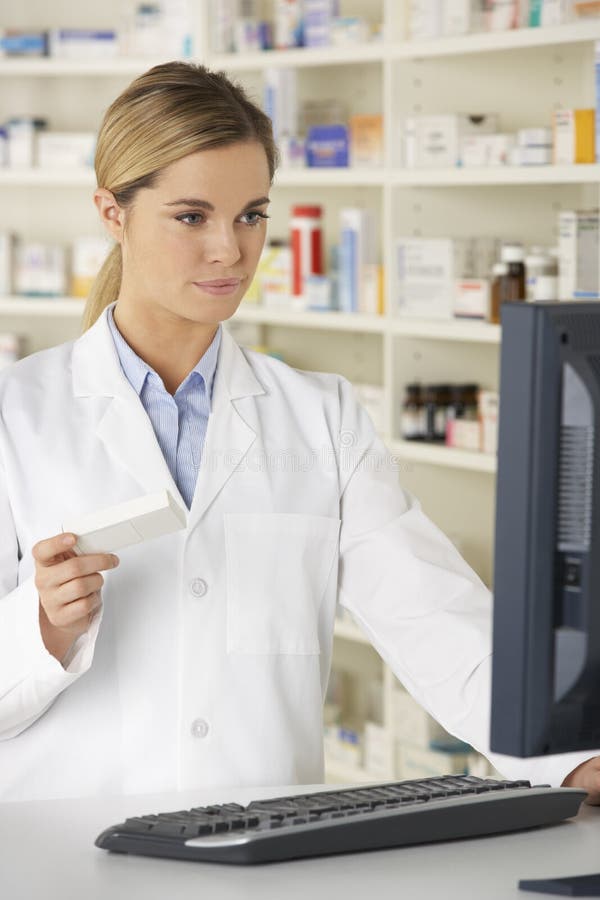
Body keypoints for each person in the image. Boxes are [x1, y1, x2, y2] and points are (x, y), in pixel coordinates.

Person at [0, 62, 598, 804]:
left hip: (259, 854)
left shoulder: (322, 415)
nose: (230, 249)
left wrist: (566, 757)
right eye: (192, 217)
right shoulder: (16, 415)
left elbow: (430, 617)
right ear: (112, 213)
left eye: (251, 214)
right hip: (67, 860)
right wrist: (42, 631)